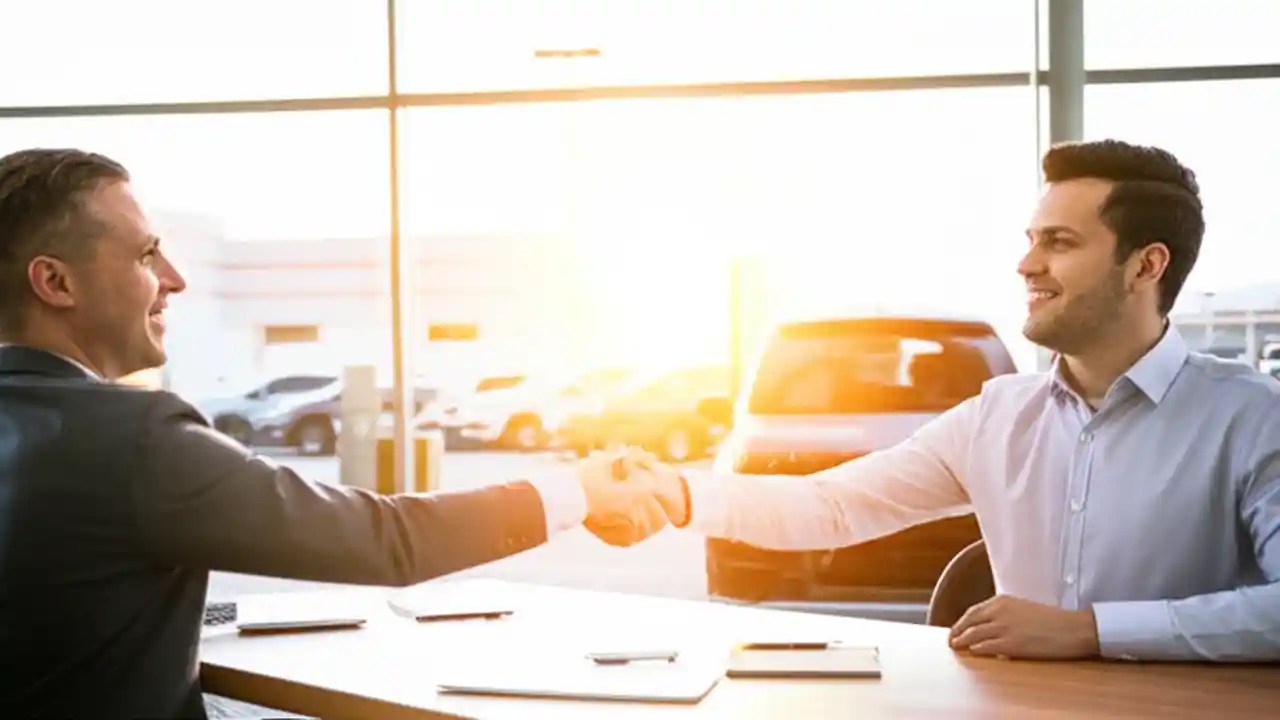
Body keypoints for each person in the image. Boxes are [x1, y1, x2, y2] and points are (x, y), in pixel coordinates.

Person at [0, 148, 667, 719]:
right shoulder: (134, 438)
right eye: (147, 255)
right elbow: (391, 541)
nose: (175, 279)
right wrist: (580, 491)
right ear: (55, 282)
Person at [601, 139, 1280, 662]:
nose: (1026, 264)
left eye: (1059, 242)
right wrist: (677, 496)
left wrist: (1089, 631)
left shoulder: (1250, 418)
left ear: (1146, 265)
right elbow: (830, 508)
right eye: (1031, 240)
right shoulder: (998, 417)